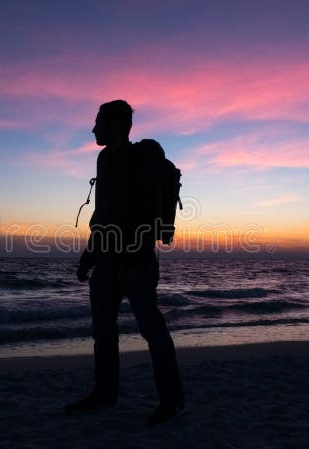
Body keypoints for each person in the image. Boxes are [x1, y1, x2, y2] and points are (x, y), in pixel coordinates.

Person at [64, 100, 185, 427]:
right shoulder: (104, 159)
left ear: (115, 124)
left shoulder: (139, 159)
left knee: (152, 330)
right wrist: (90, 257)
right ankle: (105, 394)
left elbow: (140, 211)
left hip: (135, 260)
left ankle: (172, 401)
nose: (93, 129)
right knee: (103, 332)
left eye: (98, 122)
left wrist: (134, 247)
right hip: (106, 261)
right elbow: (102, 216)